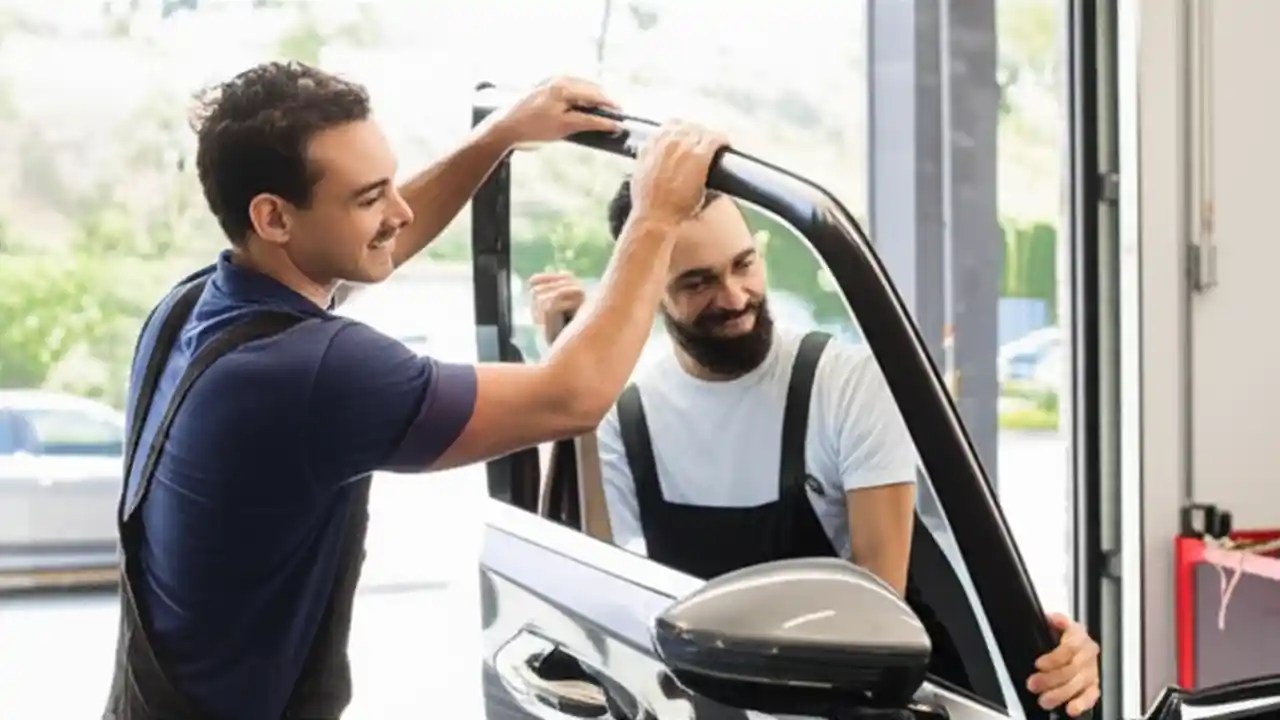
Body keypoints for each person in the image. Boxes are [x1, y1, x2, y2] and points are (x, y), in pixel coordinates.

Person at [104, 61, 729, 720]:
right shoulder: (313, 373)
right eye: (369, 196)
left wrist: (498, 138)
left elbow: (375, 246)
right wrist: (657, 215)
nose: (398, 211)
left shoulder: (197, 305)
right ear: (273, 218)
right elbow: (571, 397)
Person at [528, 180, 1102, 718]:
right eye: (698, 282)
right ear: (649, 291)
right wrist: (573, 374)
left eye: (744, 265)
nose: (734, 297)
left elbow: (881, 613)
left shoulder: (844, 384)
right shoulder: (623, 421)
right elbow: (596, 602)